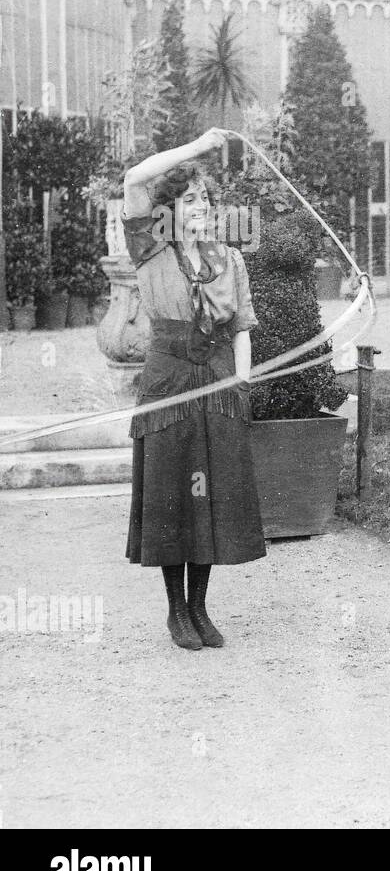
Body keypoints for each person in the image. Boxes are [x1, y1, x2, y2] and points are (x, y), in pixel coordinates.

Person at [121, 127, 264, 650]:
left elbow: (242, 326)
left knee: (211, 498)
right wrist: (201, 147)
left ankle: (201, 607)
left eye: (204, 198)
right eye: (187, 199)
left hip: (220, 384)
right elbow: (135, 177)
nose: (199, 206)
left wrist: (242, 386)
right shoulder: (150, 250)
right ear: (168, 210)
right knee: (173, 495)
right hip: (169, 383)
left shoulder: (232, 260)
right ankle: (175, 610)